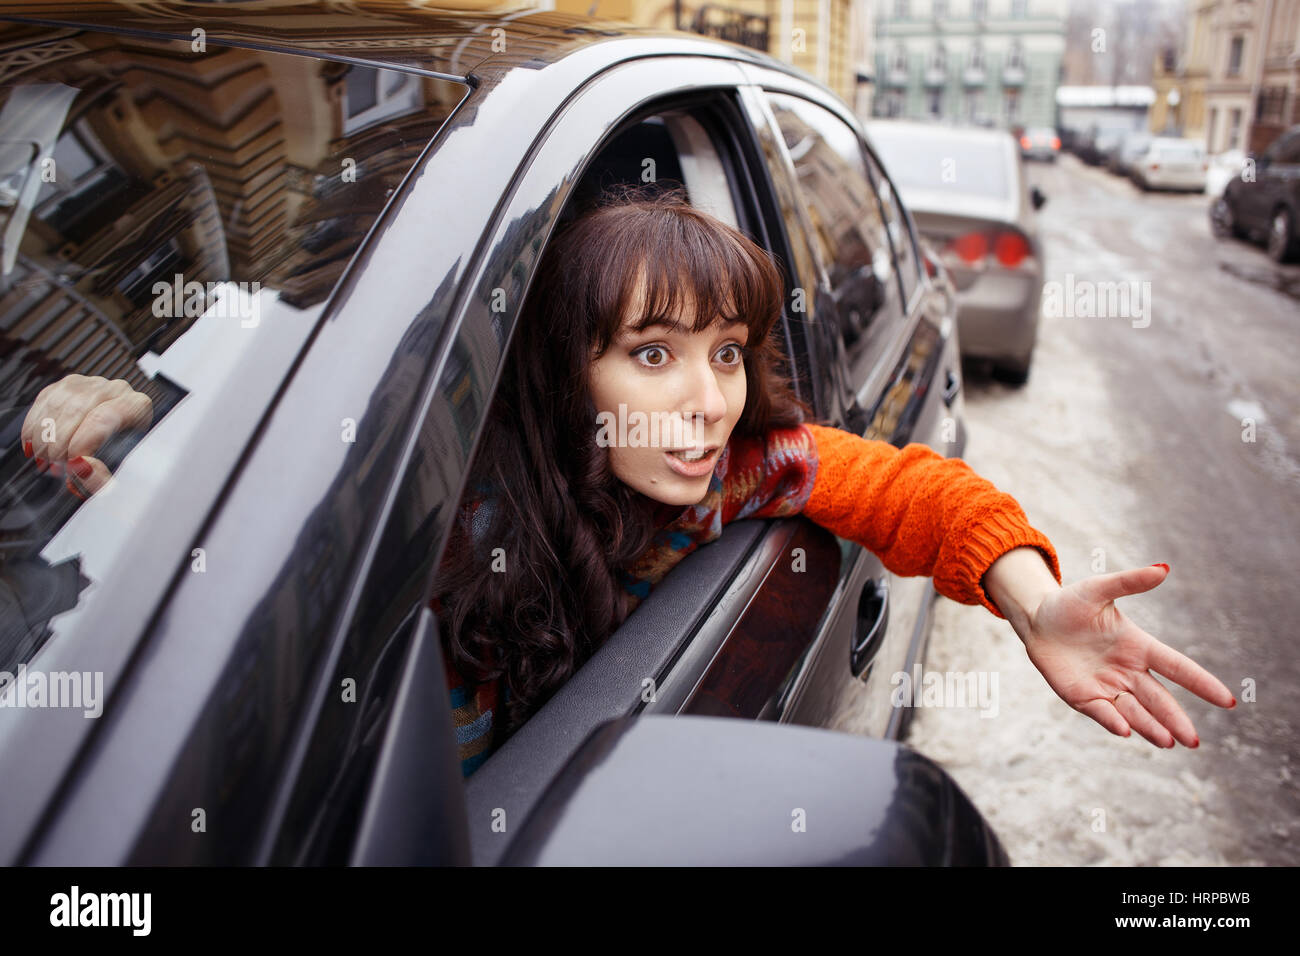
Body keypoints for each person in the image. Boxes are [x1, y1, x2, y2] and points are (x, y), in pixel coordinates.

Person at [21, 186, 1237, 779]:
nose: (707, 396)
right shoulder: (448, 502)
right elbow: (281, 477)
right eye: (652, 354)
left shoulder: (747, 467)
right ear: (568, 366)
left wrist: (1034, 604)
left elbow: (928, 495)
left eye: (724, 351)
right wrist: (141, 430)